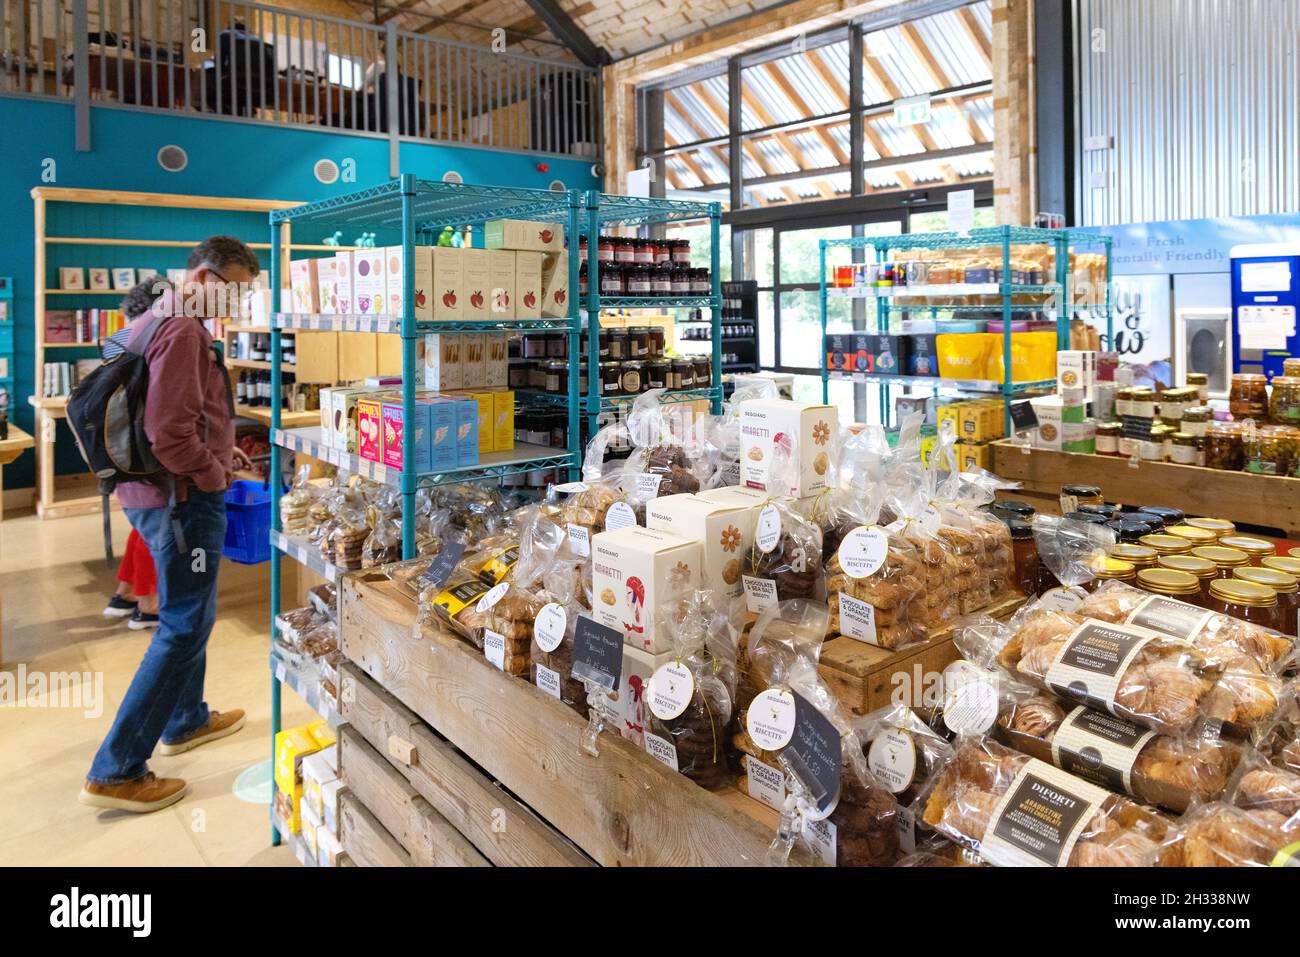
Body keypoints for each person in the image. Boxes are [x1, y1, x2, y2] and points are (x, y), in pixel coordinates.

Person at [81, 237, 257, 814]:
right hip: (180, 500)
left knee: (193, 612)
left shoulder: (155, 317)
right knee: (183, 623)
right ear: (204, 277)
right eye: (233, 290)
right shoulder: (183, 329)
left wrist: (218, 451)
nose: (234, 304)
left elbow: (178, 417)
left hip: (154, 491)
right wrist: (209, 475)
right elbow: (168, 432)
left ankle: (186, 718)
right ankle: (118, 768)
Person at [101, 278, 172, 630]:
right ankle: (149, 605)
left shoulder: (117, 341)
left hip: (117, 458)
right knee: (158, 531)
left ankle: (125, 592)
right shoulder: (151, 343)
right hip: (145, 457)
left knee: (142, 525)